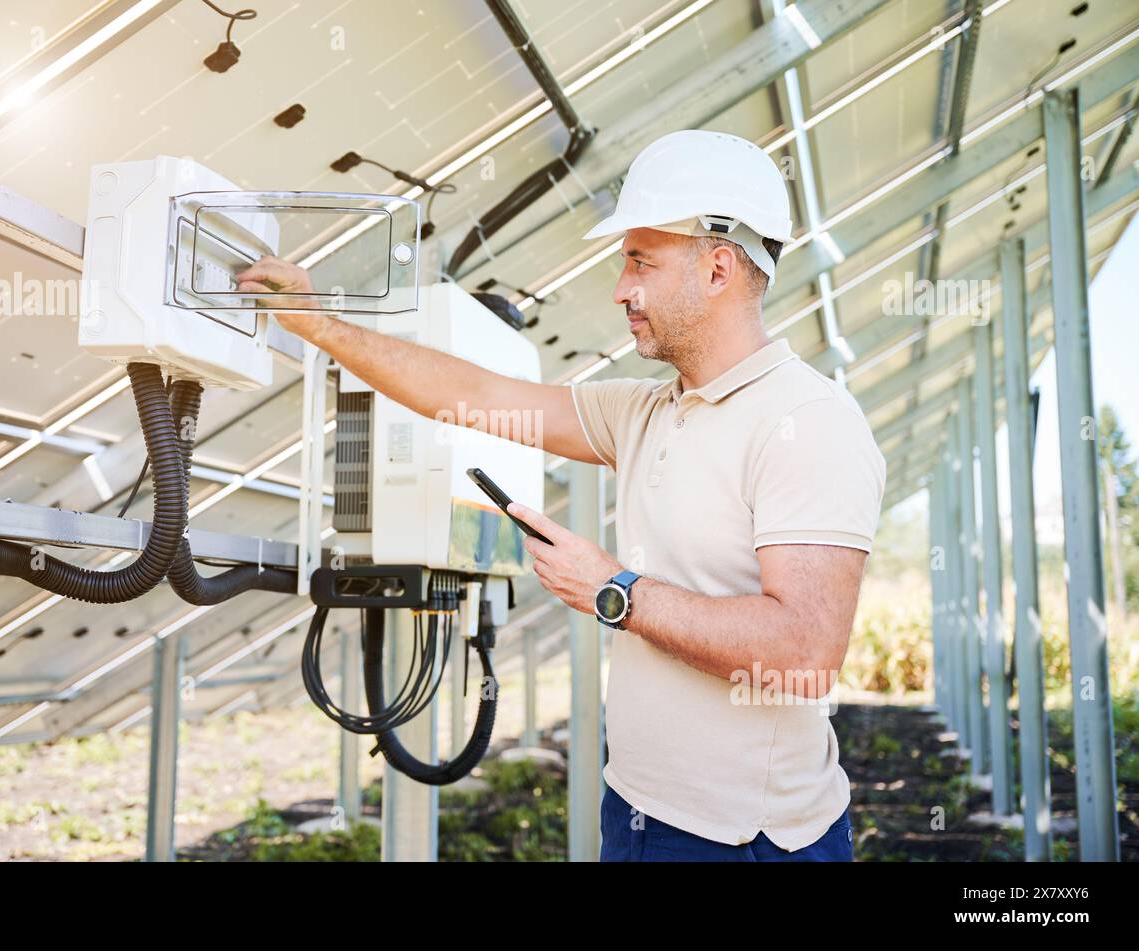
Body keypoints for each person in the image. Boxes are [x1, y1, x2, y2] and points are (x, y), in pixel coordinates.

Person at [235, 129, 886, 862]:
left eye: (641, 261)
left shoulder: (808, 422)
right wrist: (316, 322)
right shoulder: (642, 409)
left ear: (718, 267)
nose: (620, 289)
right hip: (637, 809)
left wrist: (614, 590)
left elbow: (804, 651)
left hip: (746, 840)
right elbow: (475, 394)